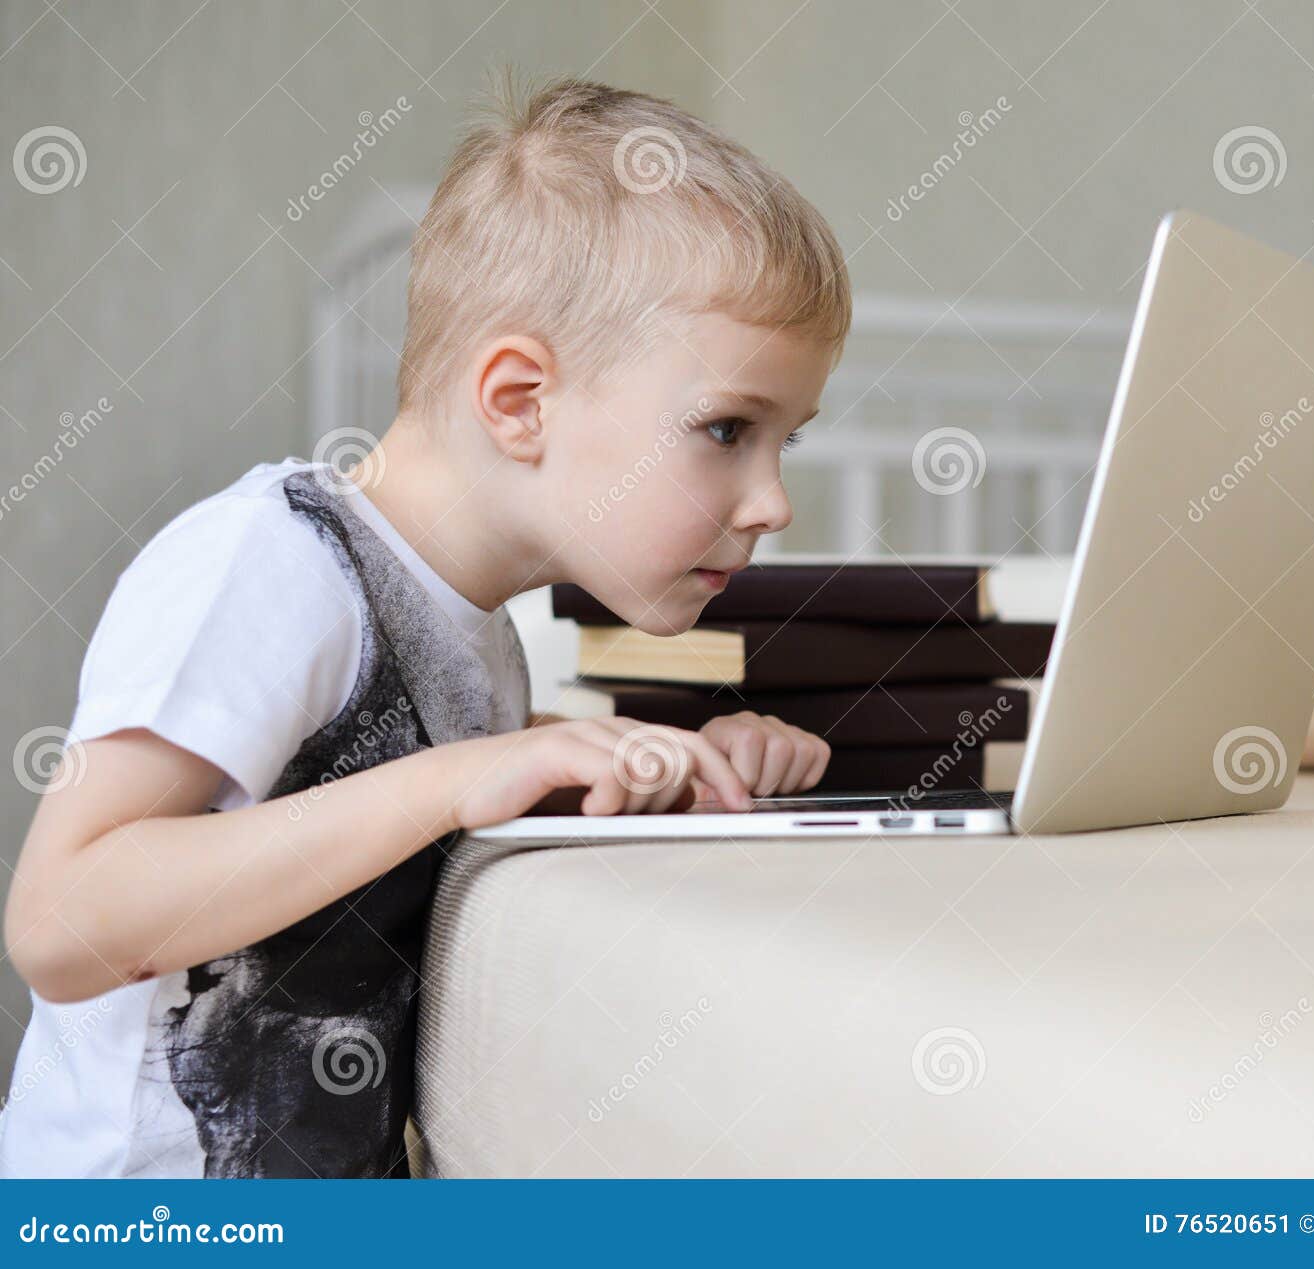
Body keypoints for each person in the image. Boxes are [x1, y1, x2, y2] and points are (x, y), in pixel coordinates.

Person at [0, 72, 848, 1178]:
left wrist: (665, 778)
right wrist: (464, 777)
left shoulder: (480, 634)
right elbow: (62, 925)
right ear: (518, 402)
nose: (773, 499)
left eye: (787, 442)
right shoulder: (274, 561)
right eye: (729, 429)